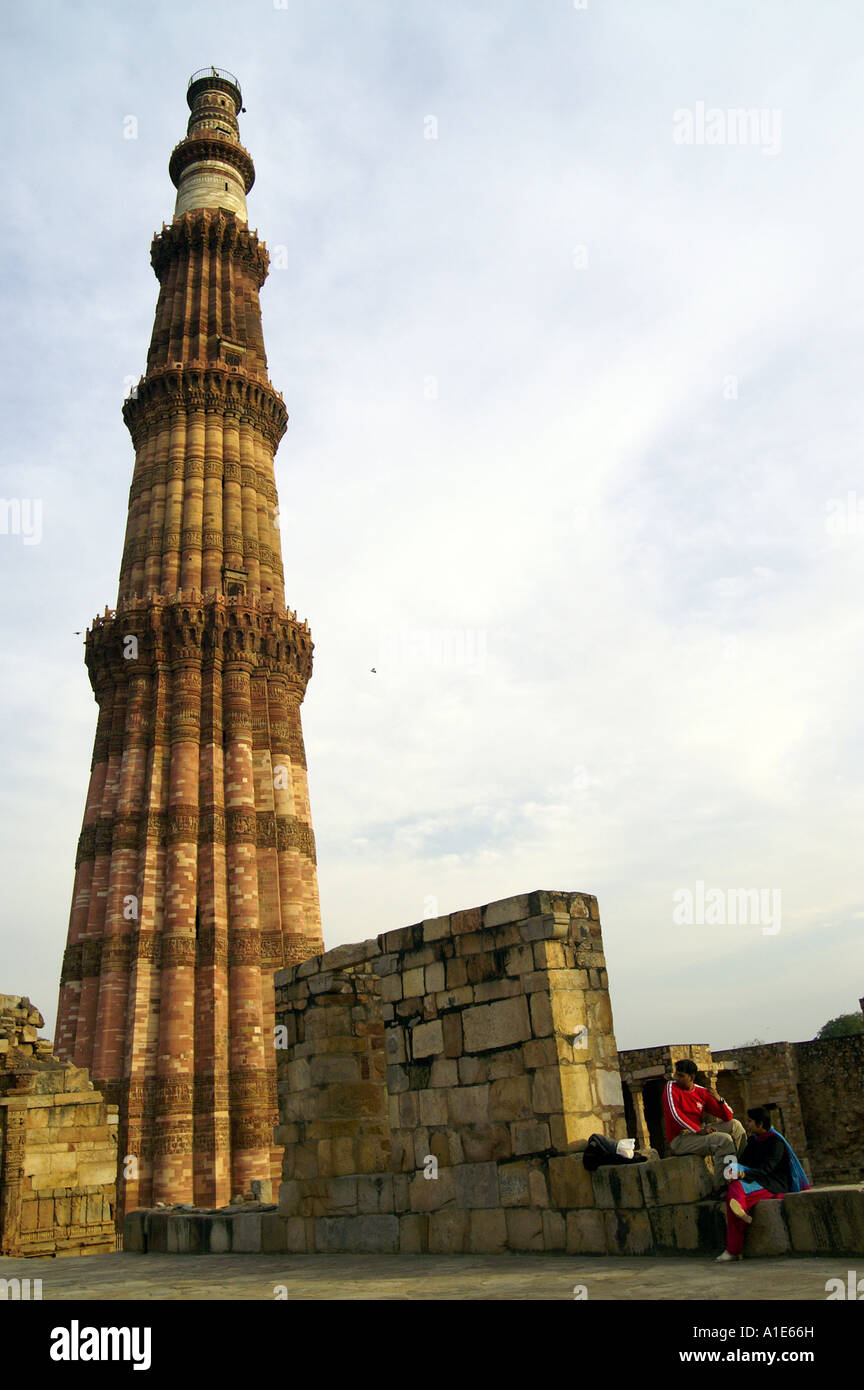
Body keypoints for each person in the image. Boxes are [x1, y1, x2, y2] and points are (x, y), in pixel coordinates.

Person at [715, 1106, 810, 1262]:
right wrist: (734, 1173)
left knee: (734, 1194)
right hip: (757, 1180)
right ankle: (739, 1211)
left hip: (772, 1183)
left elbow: (768, 1168)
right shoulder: (754, 1141)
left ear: (760, 1124)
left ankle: (733, 1249)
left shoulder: (775, 1142)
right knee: (734, 1187)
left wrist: (745, 1174)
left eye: (750, 1121)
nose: (747, 1124)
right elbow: (744, 1162)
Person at [663, 1060, 746, 1184]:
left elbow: (728, 1116)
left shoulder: (701, 1092)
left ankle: (739, 1169)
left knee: (736, 1126)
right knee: (723, 1140)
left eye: (681, 1076)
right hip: (681, 1138)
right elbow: (675, 1114)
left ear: (691, 1077)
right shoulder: (671, 1087)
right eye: (677, 1074)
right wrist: (698, 1130)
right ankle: (723, 1185)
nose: (677, 1078)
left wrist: (719, 1100)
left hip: (698, 1132)